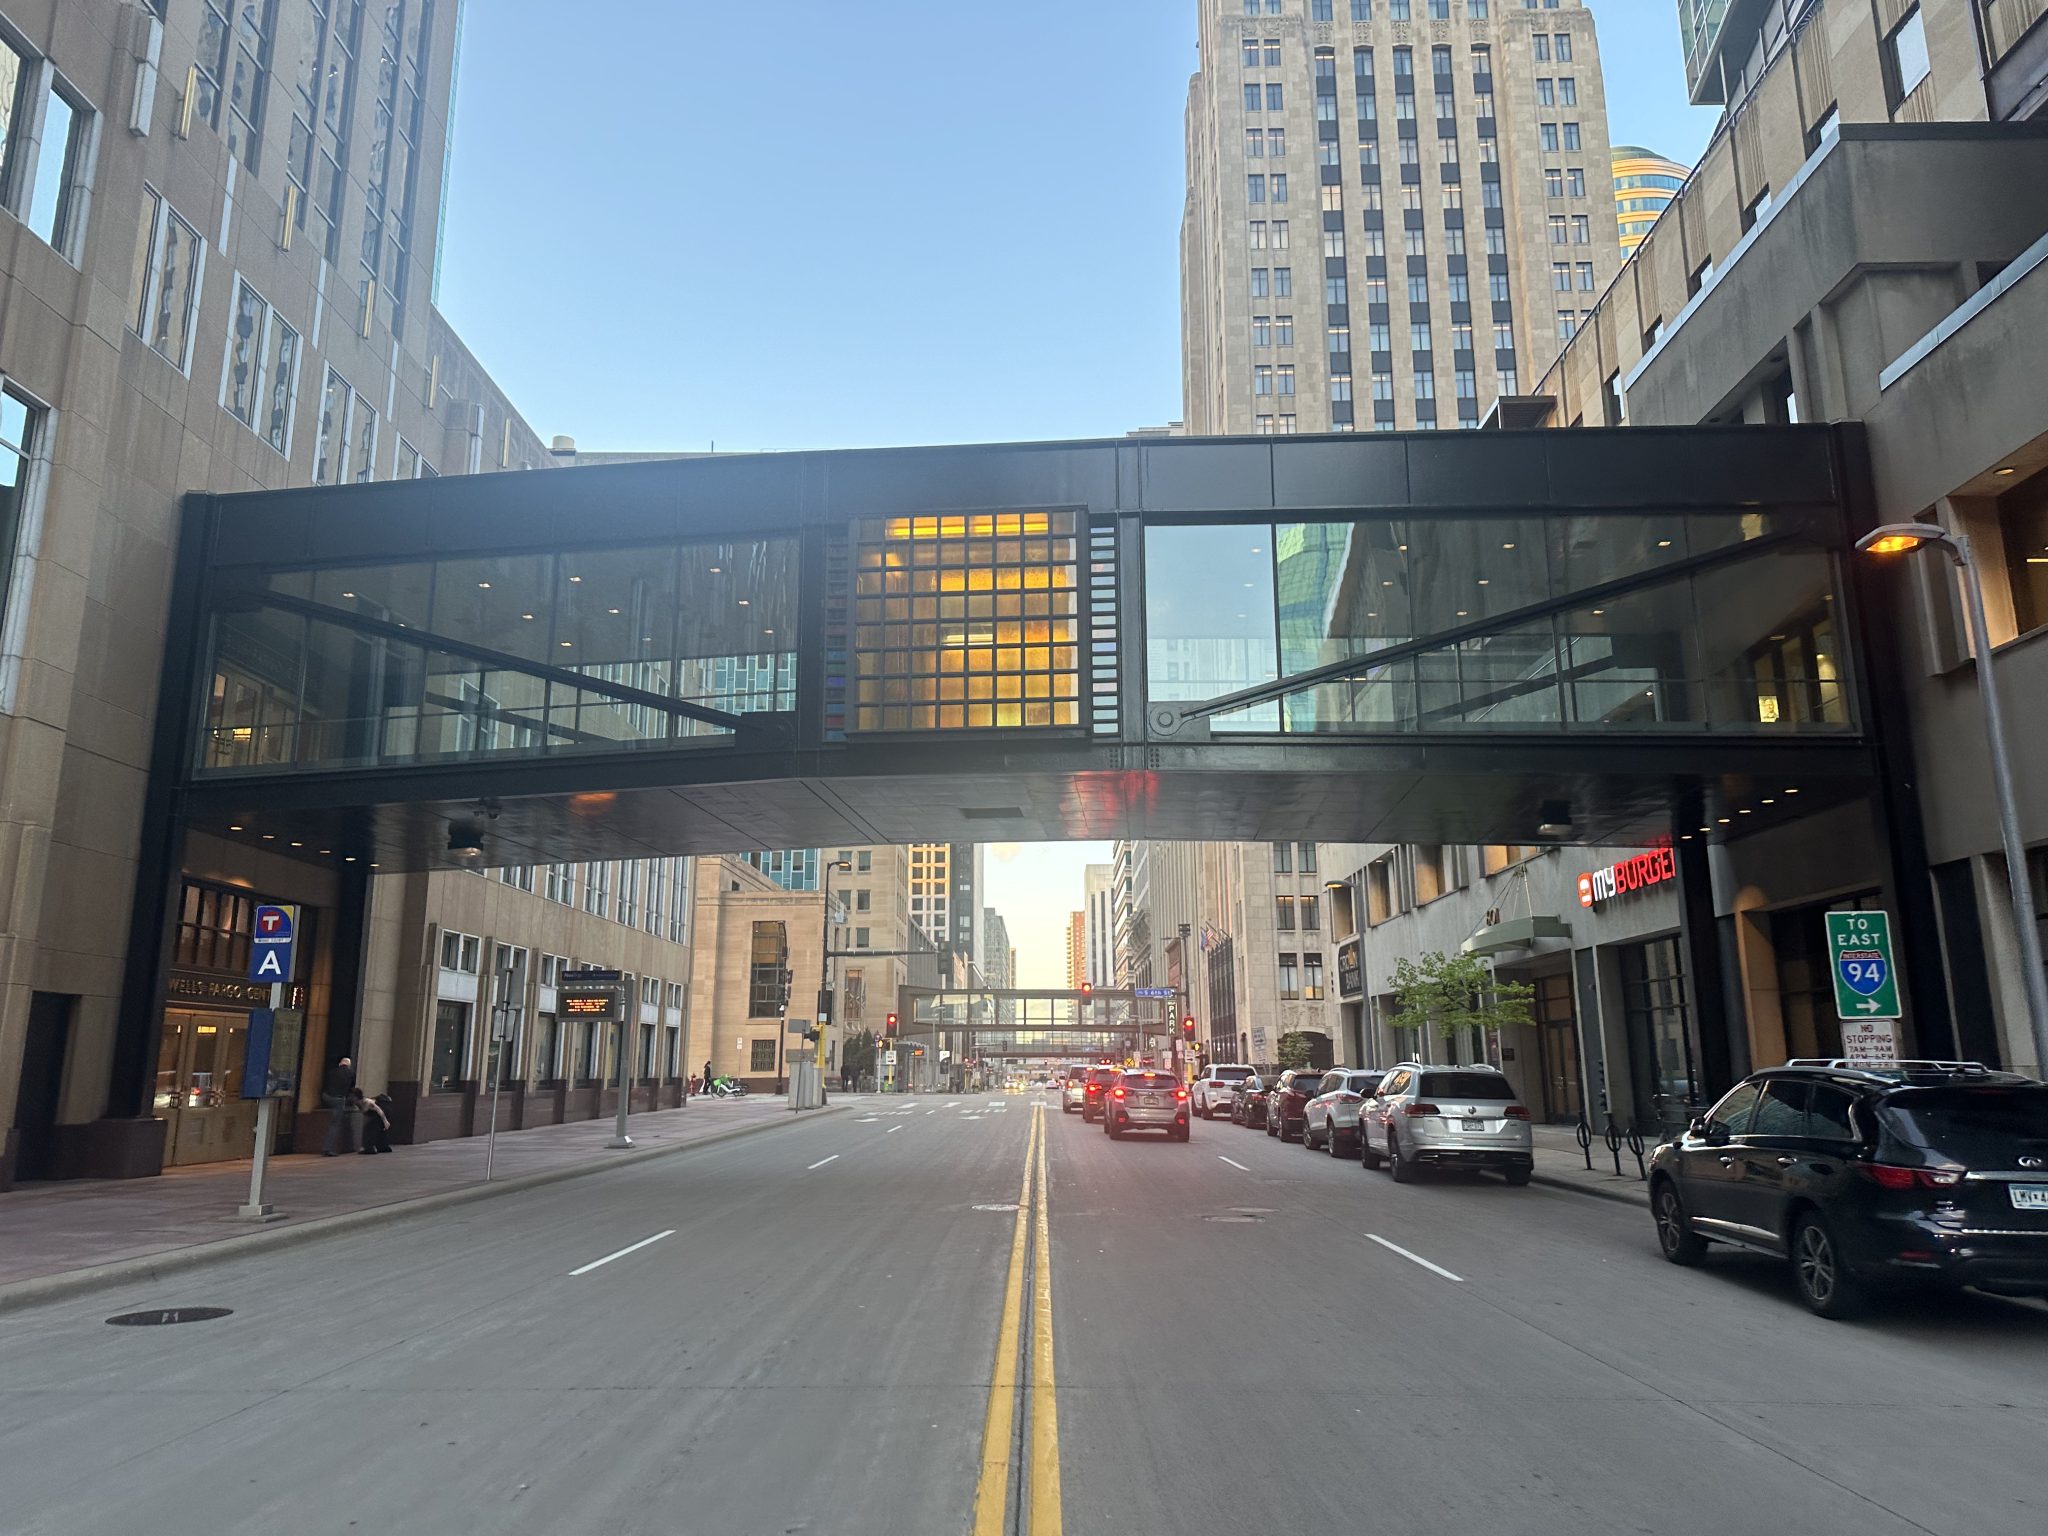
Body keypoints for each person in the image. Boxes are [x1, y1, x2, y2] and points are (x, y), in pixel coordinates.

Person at [321, 1056, 357, 1156]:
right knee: (334, 1124)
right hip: (339, 1099)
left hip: (327, 1096)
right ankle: (327, 1148)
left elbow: (325, 1083)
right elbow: (351, 1088)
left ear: (340, 1064)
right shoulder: (351, 1073)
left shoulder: (332, 1072)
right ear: (349, 1065)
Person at [354, 1087, 394, 1154]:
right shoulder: (359, 1103)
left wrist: (385, 1121)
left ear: (356, 1097)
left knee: (370, 1129)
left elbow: (379, 1110)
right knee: (378, 1129)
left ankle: (369, 1149)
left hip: (382, 1111)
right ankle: (383, 1147)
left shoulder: (367, 1102)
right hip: (380, 1112)